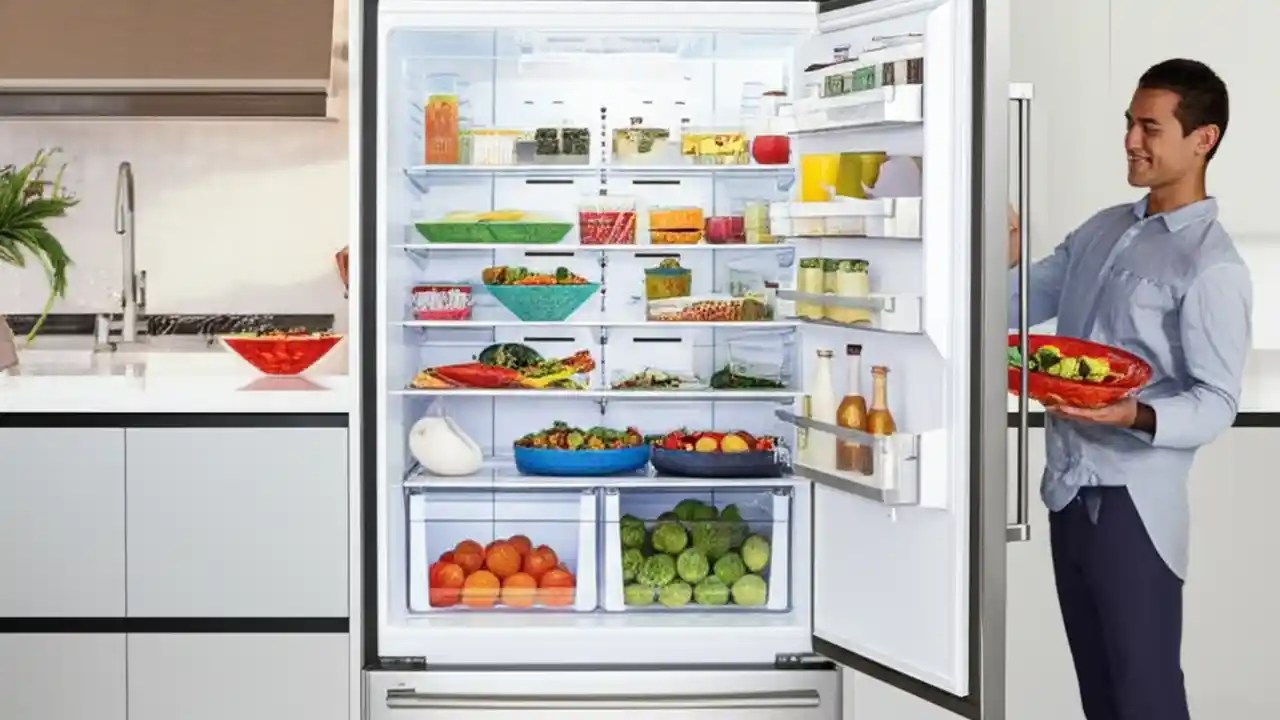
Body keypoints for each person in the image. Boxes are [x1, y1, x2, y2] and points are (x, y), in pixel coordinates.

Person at [1007, 58, 1252, 719]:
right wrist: (996, 250)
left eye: (1151, 127)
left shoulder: (1212, 264)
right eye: (1129, 123)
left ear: (1203, 139)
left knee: (1145, 698)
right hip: (1065, 492)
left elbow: (1217, 402)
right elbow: (1017, 303)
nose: (1131, 140)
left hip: (1133, 507)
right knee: (1100, 698)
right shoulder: (1104, 229)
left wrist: (1131, 414)